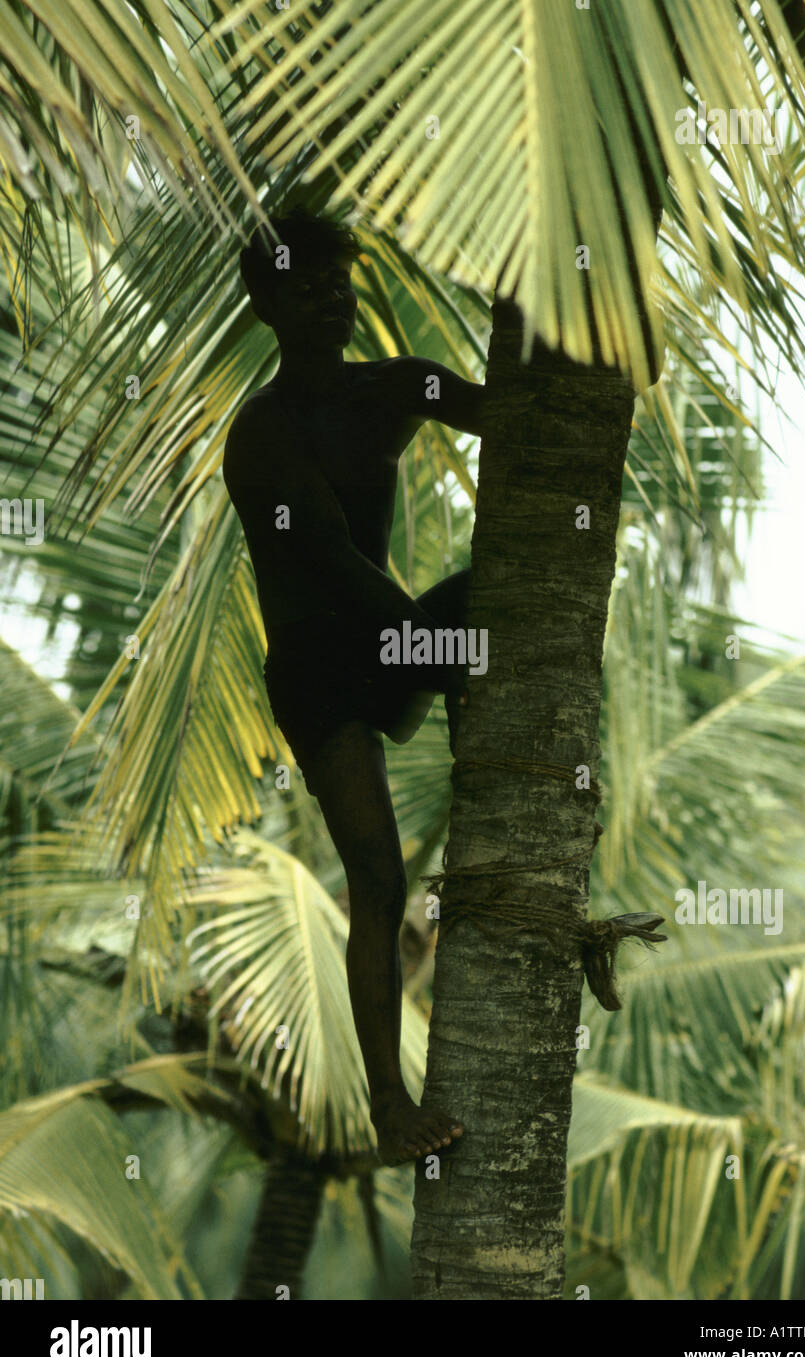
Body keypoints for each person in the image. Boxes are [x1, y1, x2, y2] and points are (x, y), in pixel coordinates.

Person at [223, 208, 485, 1164]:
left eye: (339, 283)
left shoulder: (397, 385)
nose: (330, 300)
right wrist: (428, 638)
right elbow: (327, 561)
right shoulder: (258, 435)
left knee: (490, 601)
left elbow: (513, 415)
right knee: (375, 876)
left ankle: (504, 796)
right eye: (306, 288)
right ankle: (387, 1105)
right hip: (318, 671)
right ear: (266, 307)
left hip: (390, 636)